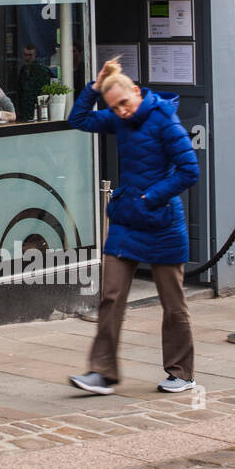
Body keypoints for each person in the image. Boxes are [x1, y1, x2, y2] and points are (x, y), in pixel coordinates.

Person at [67, 59, 200, 395]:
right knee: (111, 297)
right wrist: (94, 89)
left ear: (137, 92)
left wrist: (150, 197)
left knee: (173, 304)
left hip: (162, 223)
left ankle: (181, 373)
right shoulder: (118, 119)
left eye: (124, 103)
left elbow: (189, 169)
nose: (121, 112)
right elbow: (78, 119)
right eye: (114, 107)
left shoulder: (165, 120)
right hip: (127, 221)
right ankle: (102, 373)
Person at [16, 43, 53, 121]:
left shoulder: (42, 71)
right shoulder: (22, 71)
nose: (27, 58)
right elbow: (19, 92)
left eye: (30, 55)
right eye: (26, 55)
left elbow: (45, 92)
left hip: (38, 109)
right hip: (24, 110)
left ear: (35, 55)